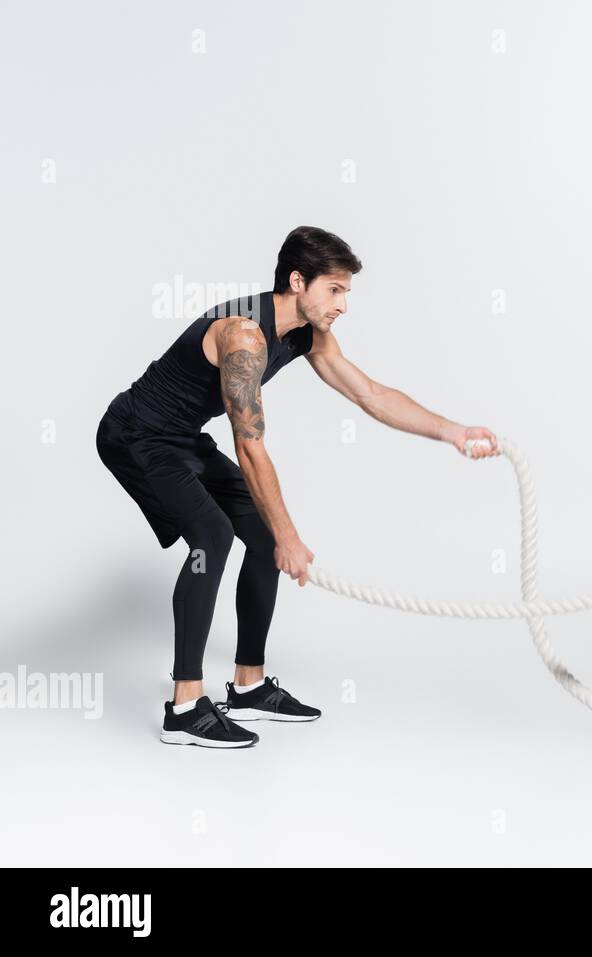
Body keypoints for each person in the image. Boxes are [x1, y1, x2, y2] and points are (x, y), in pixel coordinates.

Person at [96, 226, 500, 748]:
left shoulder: (307, 332)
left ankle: (247, 685)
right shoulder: (242, 335)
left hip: (180, 437)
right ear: (297, 281)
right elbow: (250, 447)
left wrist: (452, 431)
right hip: (134, 434)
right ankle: (185, 706)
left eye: (346, 292)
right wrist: (290, 536)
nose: (343, 305)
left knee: (260, 536)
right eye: (334, 290)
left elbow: (370, 394)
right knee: (212, 536)